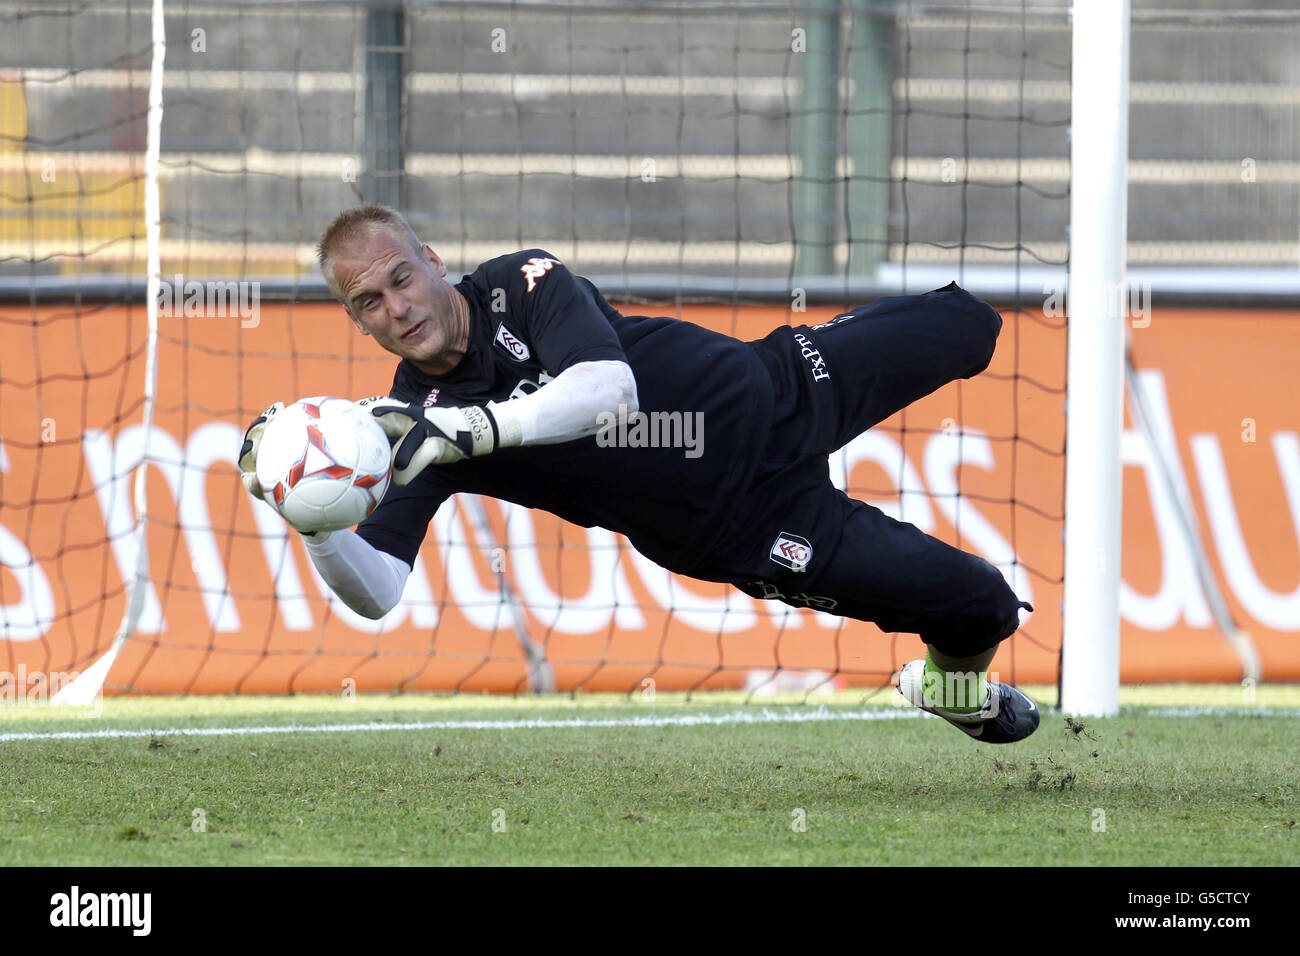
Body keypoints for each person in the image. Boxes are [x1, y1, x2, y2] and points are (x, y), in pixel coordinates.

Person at [239, 204, 1039, 742]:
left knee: (966, 322)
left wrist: (472, 430)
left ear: (433, 262)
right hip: (744, 522)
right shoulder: (408, 428)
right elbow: (378, 593)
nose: (396, 307)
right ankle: (955, 694)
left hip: (783, 385)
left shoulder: (520, 283)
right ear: (356, 320)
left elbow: (610, 392)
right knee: (980, 604)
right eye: (368, 302)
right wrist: (314, 523)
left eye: (401, 278)